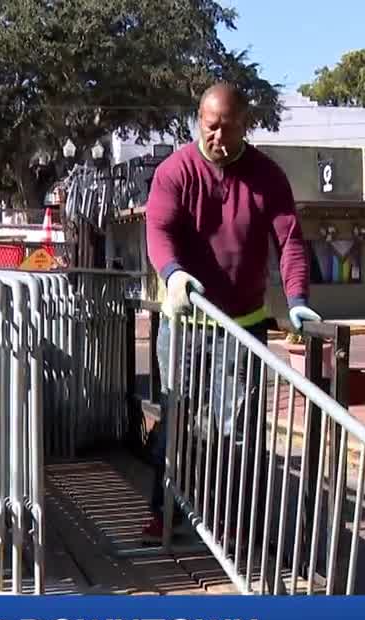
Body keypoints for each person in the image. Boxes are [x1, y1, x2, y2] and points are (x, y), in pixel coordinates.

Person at [142, 82, 320, 542]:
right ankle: (165, 512)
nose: (219, 136)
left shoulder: (267, 177)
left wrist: (298, 300)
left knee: (236, 434)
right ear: (199, 120)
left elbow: (291, 242)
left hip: (241, 330)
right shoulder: (175, 171)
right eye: (211, 126)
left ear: (246, 124)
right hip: (182, 325)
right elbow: (158, 232)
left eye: (229, 127)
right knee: (176, 421)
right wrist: (173, 273)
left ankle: (233, 524)